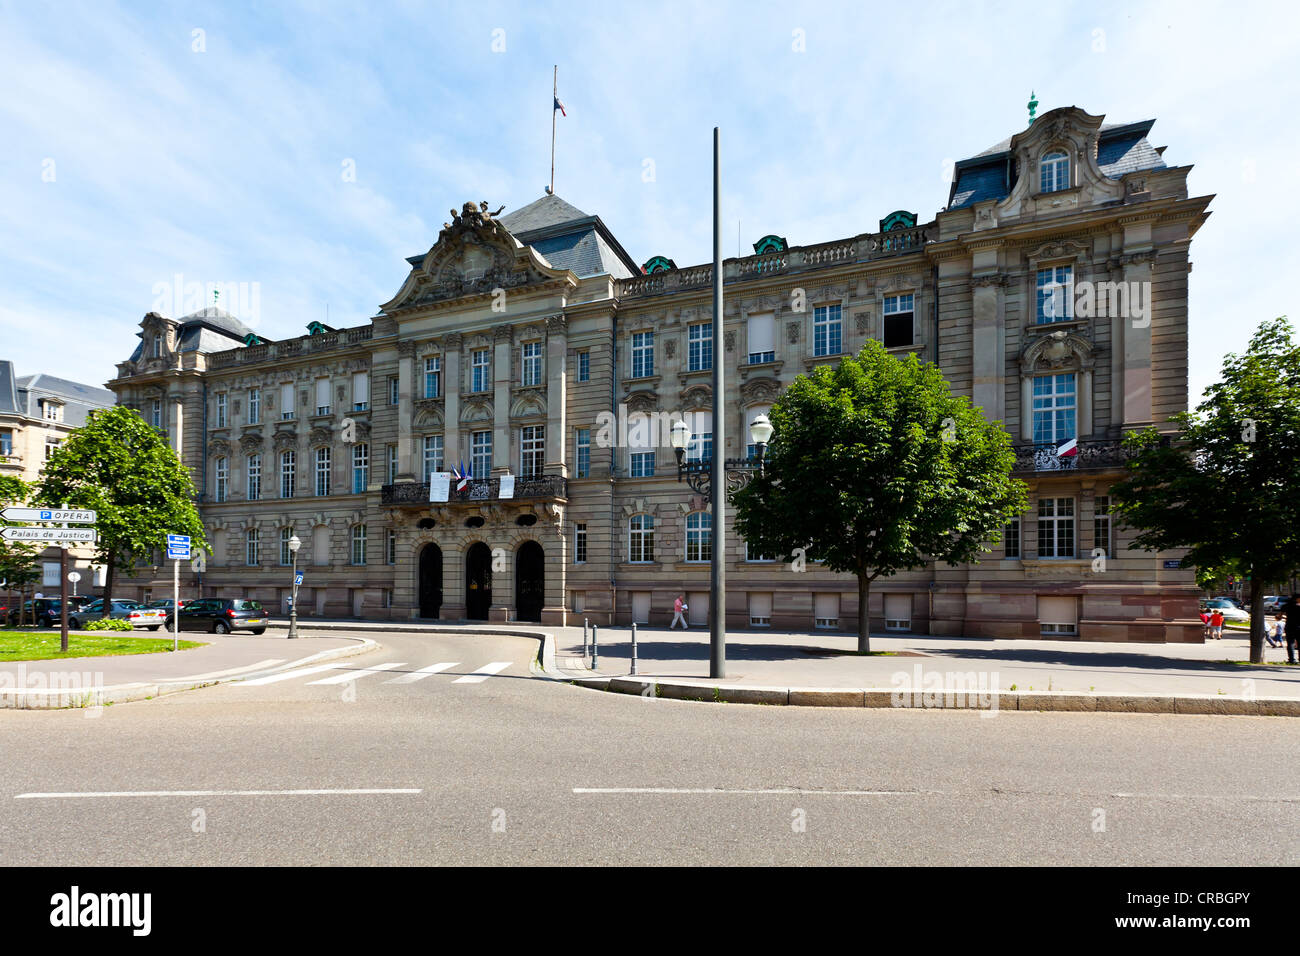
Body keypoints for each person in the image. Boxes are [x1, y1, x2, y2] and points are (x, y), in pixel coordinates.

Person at [1283, 596, 1300, 665]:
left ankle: (1291, 659)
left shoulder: (1286, 606)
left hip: (1289, 627)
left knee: (1290, 643)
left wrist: (1286, 617)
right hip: (1299, 627)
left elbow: (1278, 616)